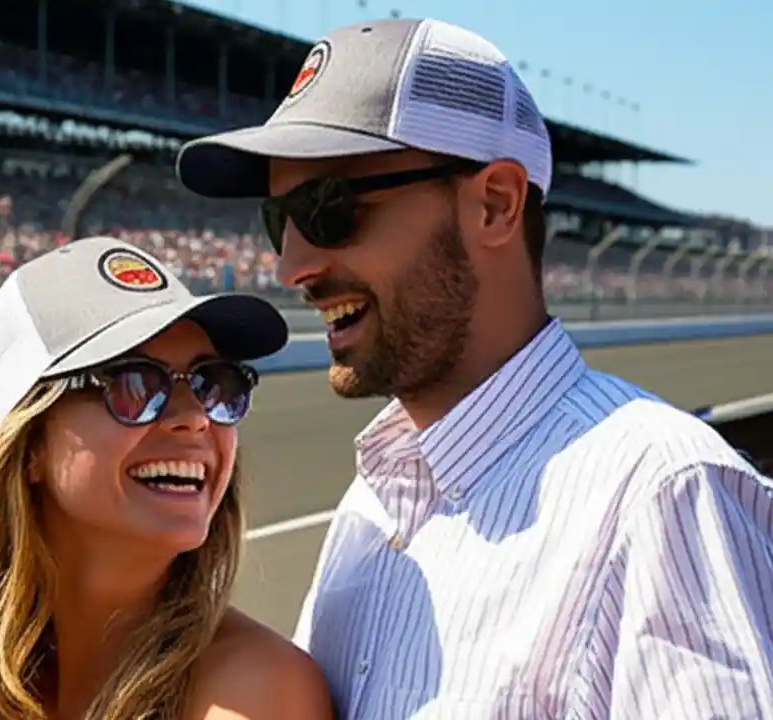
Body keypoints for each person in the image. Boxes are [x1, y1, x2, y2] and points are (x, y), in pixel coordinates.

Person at [175, 17, 773, 720]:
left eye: (329, 209)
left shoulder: (662, 495)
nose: (293, 266)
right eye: (281, 220)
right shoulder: (372, 507)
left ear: (494, 204)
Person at [0, 236, 335, 720]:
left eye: (215, 383)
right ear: (29, 446)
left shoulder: (256, 687)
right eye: (134, 384)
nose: (196, 417)